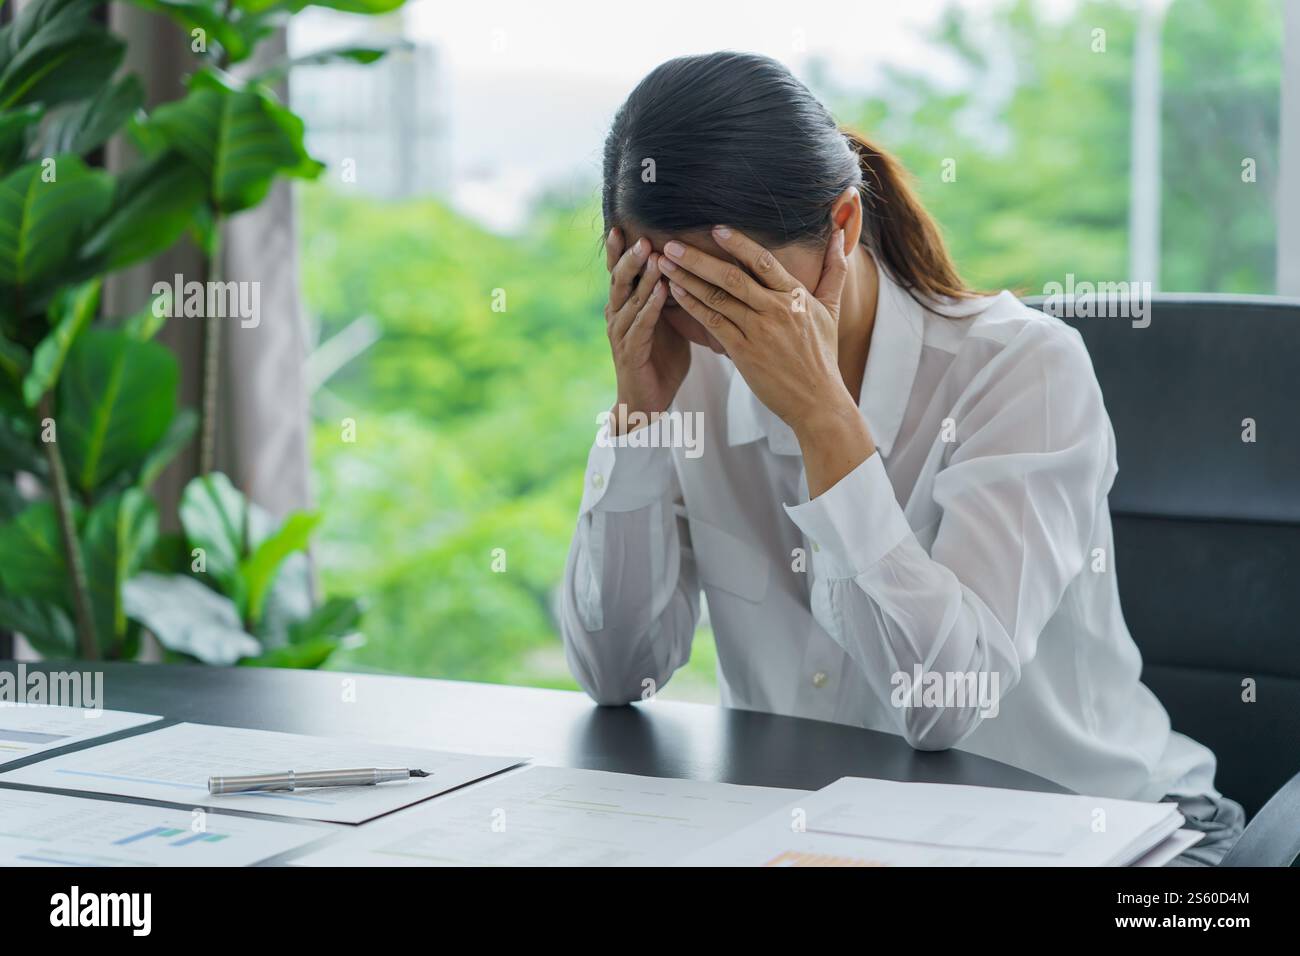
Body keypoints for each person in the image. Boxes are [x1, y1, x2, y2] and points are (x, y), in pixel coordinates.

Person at [559, 51, 1243, 864]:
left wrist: (823, 421)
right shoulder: (684, 375)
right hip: (838, 841)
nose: (707, 326)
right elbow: (615, 675)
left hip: (1106, 836)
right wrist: (639, 416)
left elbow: (944, 702)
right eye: (664, 284)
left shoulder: (1021, 370)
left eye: (735, 287)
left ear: (842, 229)